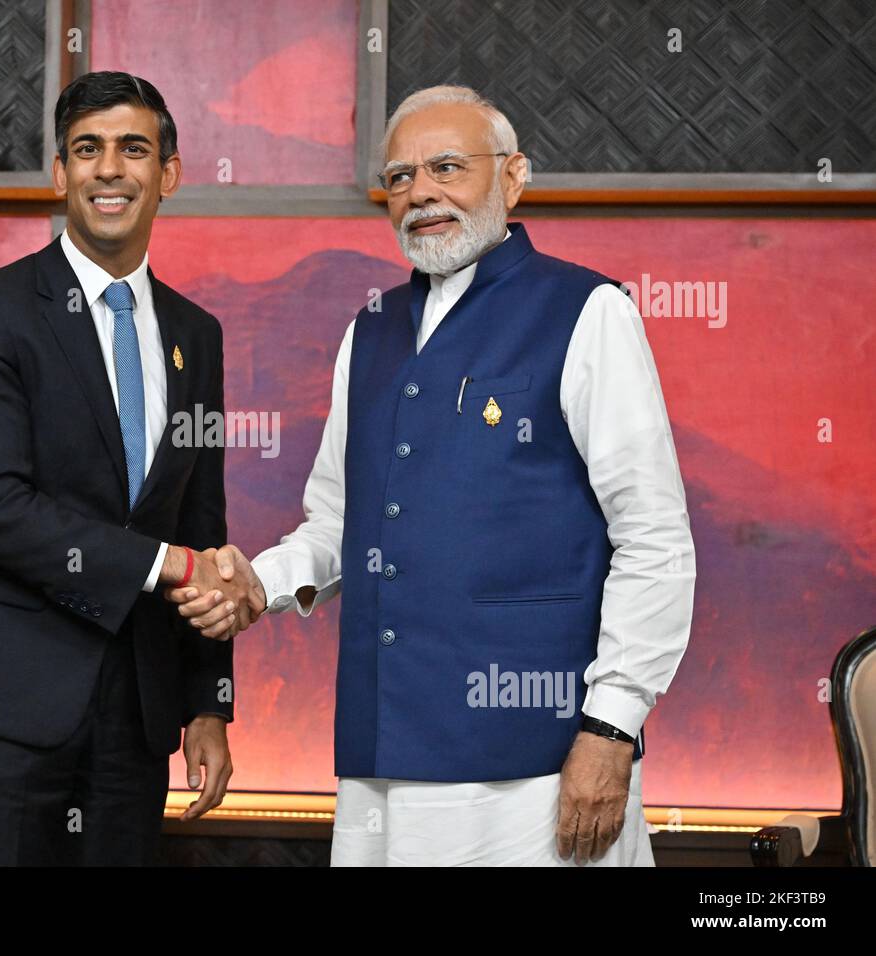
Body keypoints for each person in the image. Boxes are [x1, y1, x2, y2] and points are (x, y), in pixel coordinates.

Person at [169, 85, 695, 866]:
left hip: (537, 757)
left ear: (514, 177)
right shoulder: (370, 330)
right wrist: (259, 582)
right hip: (382, 754)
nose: (421, 193)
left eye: (447, 167)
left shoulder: (588, 312)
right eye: (401, 177)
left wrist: (612, 727)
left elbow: (653, 536)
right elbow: (339, 526)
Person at [0, 71, 253, 865]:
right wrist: (176, 564)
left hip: (139, 708)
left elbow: (201, 520)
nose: (109, 170)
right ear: (60, 172)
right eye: (87, 150)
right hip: (10, 702)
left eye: (134, 149)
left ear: (167, 173)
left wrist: (208, 704)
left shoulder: (196, 334)